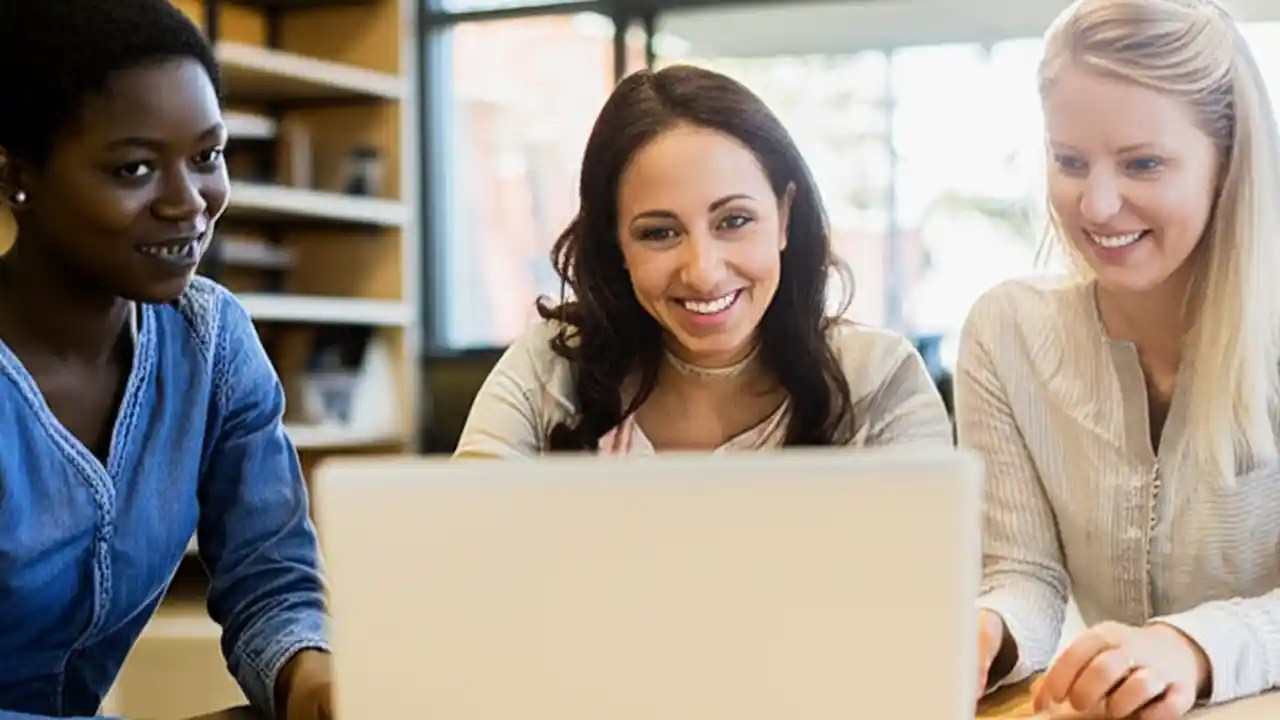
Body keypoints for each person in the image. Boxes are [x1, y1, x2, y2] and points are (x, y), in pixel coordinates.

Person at [0, 1, 331, 718]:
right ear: (17, 176)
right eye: (135, 168)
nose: (190, 204)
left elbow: (272, 579)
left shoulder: (209, 341)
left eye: (207, 157)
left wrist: (313, 688)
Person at [958, 0, 1280, 717]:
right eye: (1069, 161)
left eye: (1143, 163)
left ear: (1228, 167)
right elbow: (1024, 573)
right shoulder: (1006, 332)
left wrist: (1192, 648)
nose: (1096, 204)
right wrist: (989, 633)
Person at [455, 65, 952, 457]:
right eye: (659, 233)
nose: (703, 272)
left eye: (734, 221)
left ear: (783, 216)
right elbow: (459, 548)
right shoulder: (554, 368)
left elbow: (931, 578)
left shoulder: (878, 380)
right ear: (615, 244)